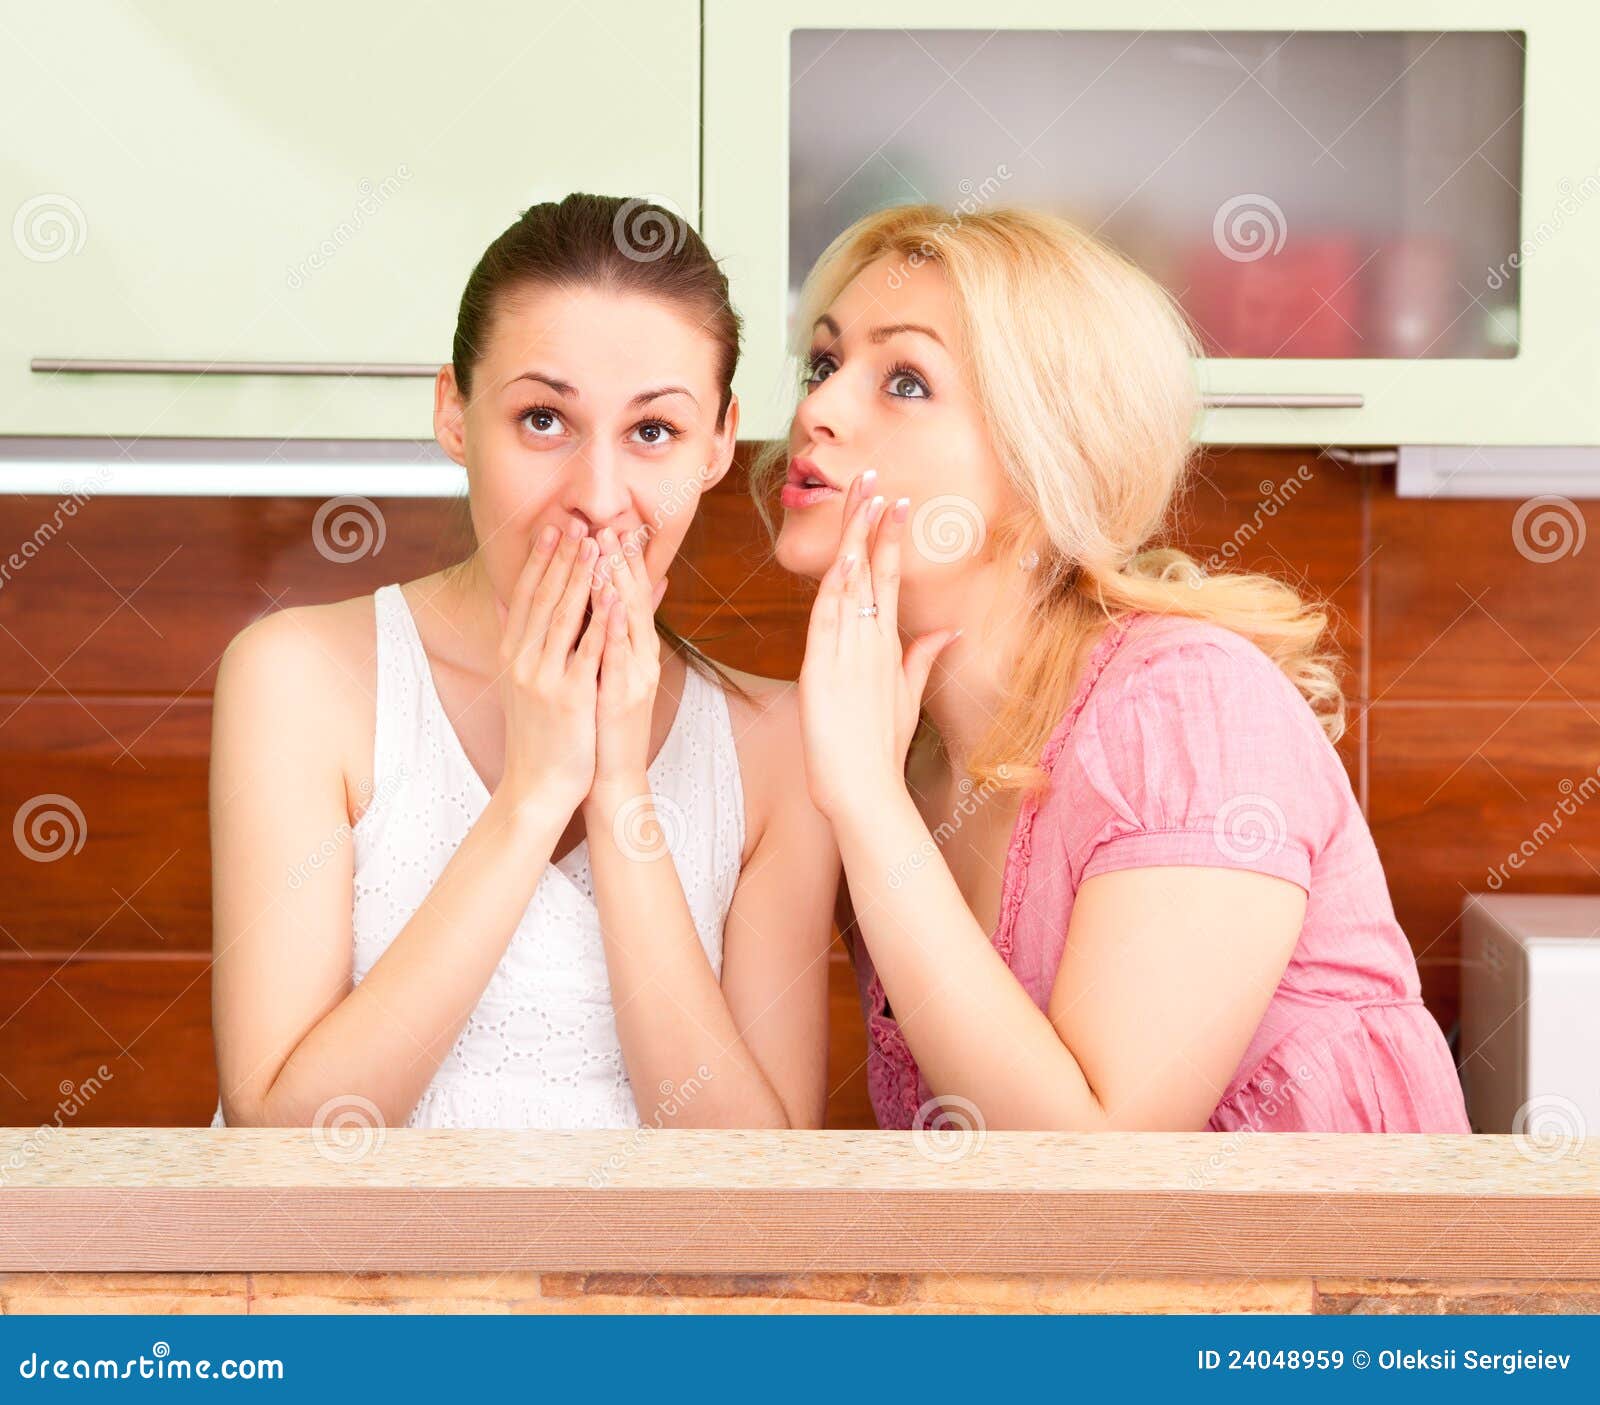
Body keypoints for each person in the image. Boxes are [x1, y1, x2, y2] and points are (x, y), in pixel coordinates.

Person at [759, 203, 1470, 1134]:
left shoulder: (1190, 704)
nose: (815, 409)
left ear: (1044, 461)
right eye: (823, 364)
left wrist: (864, 803)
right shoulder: (895, 755)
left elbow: (1101, 1176)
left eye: (904, 380)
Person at [209, 194, 837, 1131]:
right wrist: (533, 796)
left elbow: (755, 1181)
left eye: (653, 431)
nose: (598, 498)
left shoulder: (779, 740)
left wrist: (619, 791)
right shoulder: (298, 679)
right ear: (454, 413)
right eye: (544, 419)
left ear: (717, 442)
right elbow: (285, 1136)